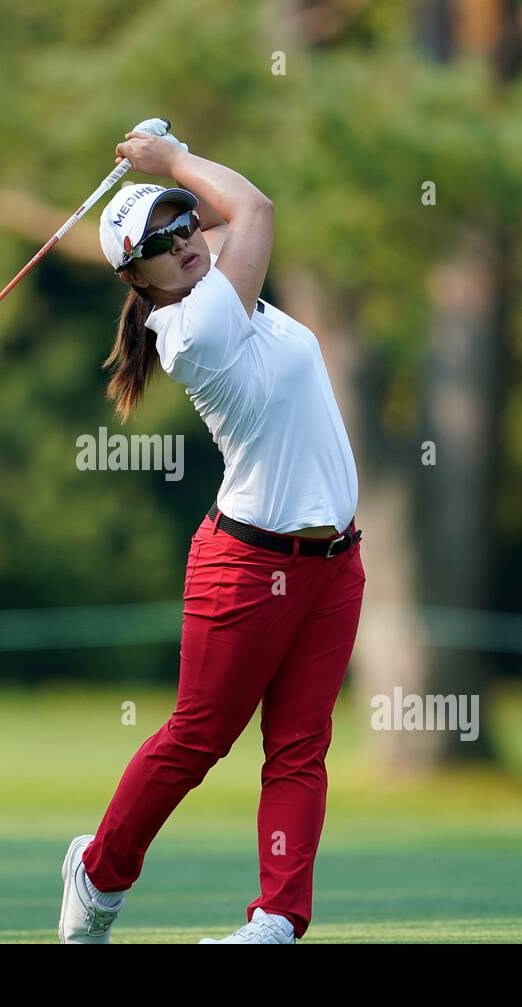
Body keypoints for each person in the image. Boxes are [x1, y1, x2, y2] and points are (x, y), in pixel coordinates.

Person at [58, 129, 365, 944]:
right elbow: (254, 208)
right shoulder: (195, 331)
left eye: (183, 223)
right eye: (157, 241)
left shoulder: (225, 288)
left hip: (337, 563)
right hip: (249, 565)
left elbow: (230, 225)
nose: (182, 240)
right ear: (137, 279)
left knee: (300, 747)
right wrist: (175, 156)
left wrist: (171, 182)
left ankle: (276, 921)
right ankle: (98, 871)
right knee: (199, 738)